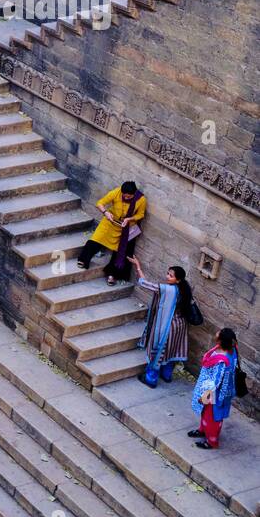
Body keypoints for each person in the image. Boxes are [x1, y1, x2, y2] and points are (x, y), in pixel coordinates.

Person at [131, 257, 191, 388]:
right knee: (171, 351)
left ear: (178, 280)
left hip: (168, 327)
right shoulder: (185, 290)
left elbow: (144, 283)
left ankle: (151, 379)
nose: (167, 276)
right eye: (168, 273)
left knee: (158, 351)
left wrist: (138, 266)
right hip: (180, 326)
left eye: (171, 275)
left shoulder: (168, 290)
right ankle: (167, 375)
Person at [75, 181, 146, 286]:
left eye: (129, 197)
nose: (126, 198)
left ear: (134, 194)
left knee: (120, 251)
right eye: (124, 196)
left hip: (126, 227)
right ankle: (84, 259)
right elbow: (100, 203)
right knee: (96, 239)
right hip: (110, 221)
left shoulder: (141, 200)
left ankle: (112, 274)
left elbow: (141, 214)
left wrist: (129, 219)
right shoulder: (116, 192)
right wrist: (106, 212)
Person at [190, 328, 239, 450]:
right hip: (215, 390)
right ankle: (203, 430)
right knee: (205, 412)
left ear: (221, 341)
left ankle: (212, 441)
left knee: (212, 416)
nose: (217, 332)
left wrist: (205, 395)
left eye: (219, 333)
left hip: (215, 394)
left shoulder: (221, 361)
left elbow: (215, 381)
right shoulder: (232, 350)